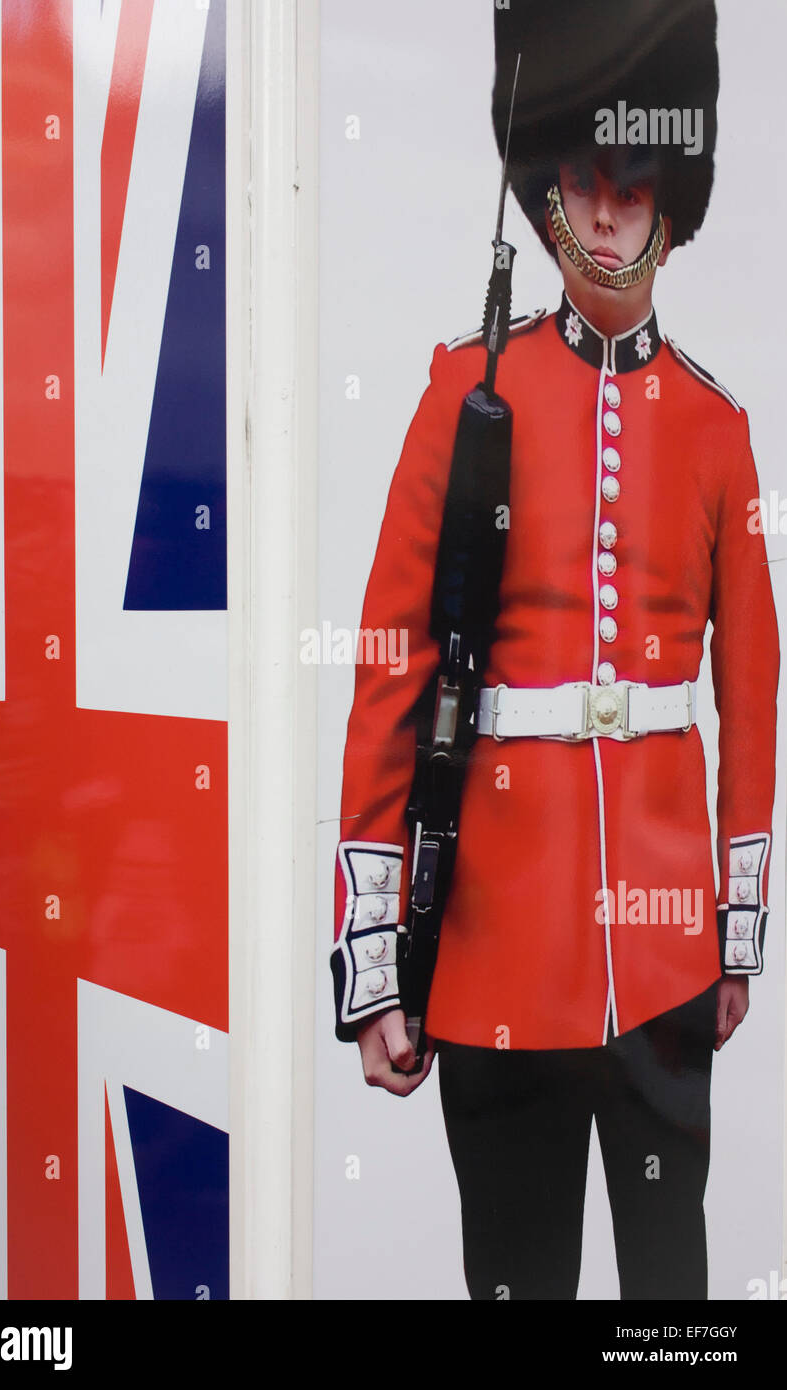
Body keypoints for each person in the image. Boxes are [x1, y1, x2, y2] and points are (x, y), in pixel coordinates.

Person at [330, 0, 779, 1299]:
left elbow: (747, 697)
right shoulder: (460, 395)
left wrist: (730, 934)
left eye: (631, 185)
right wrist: (374, 963)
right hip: (491, 950)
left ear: (670, 201)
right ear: (541, 194)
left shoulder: (715, 427)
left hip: (658, 957)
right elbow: (388, 673)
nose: (601, 213)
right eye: (578, 182)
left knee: (668, 1310)